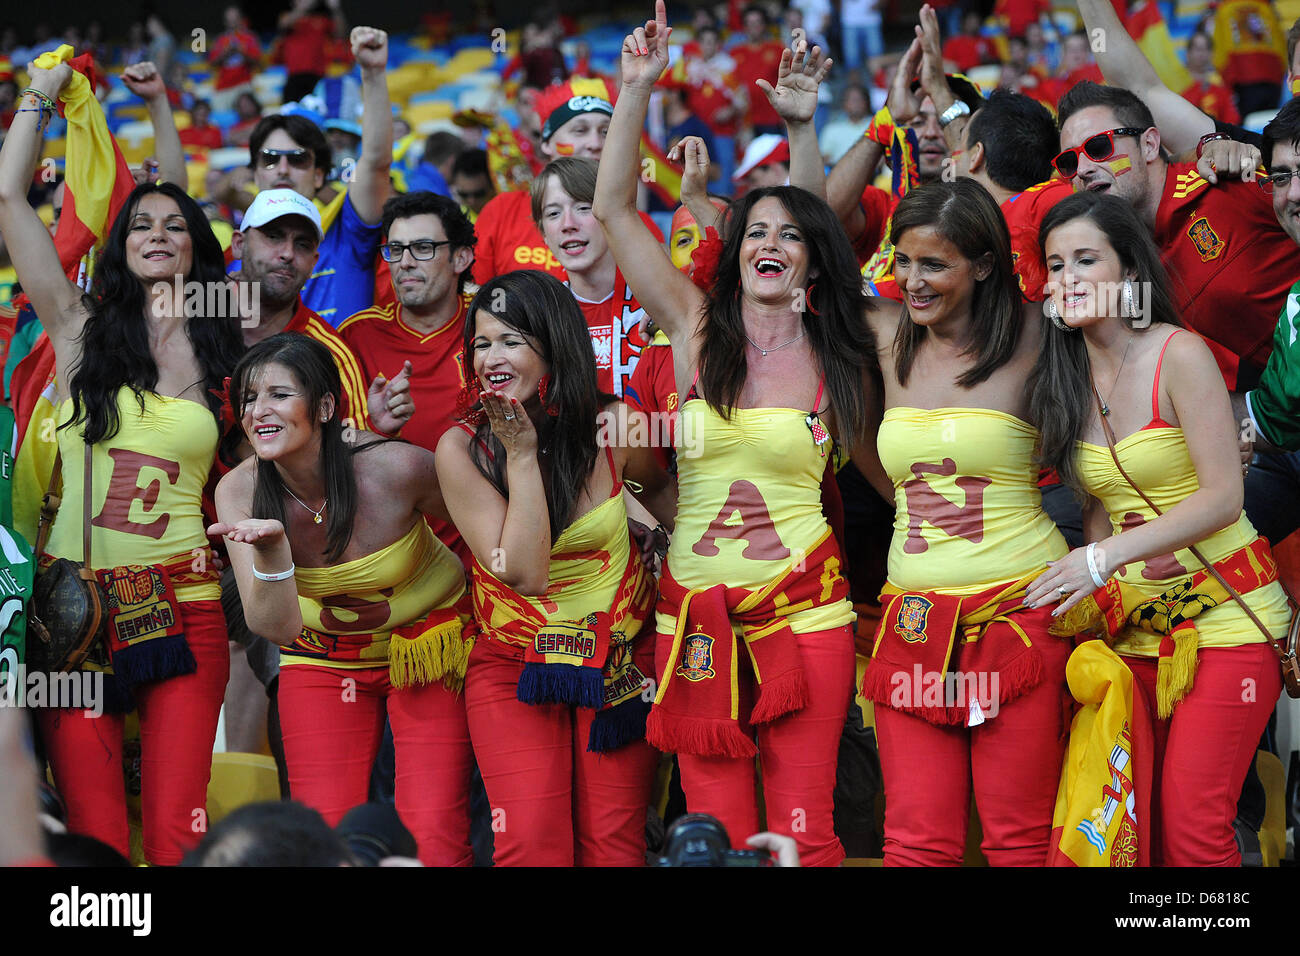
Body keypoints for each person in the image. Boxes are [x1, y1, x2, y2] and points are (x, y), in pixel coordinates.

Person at [596, 4, 885, 866]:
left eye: (788, 237)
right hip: (695, 619)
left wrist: (802, 128)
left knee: (804, 829)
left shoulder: (841, 350)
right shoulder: (692, 326)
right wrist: (635, 90)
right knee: (707, 839)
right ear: (733, 251)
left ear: (810, 261)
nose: (770, 242)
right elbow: (613, 208)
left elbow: (817, 219)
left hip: (807, 615)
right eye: (754, 230)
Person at [0, 61, 245, 865]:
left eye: (174, 228)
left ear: (196, 248)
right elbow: (9, 201)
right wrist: (38, 95)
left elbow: (256, 468)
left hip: (189, 603)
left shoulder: (226, 349)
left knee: (179, 827)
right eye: (140, 226)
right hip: (71, 616)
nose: (157, 236)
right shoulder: (76, 329)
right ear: (120, 245)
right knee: (97, 832)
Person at [1026, 191, 1289, 866]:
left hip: (1226, 621)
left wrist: (1102, 558)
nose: (1069, 278)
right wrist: (1097, 575)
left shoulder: (1180, 353)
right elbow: (1099, 508)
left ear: (1131, 275)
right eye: (1056, 266)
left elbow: (1224, 498)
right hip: (1139, 632)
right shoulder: (1064, 373)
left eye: (1087, 259)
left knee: (1196, 831)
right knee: (1140, 830)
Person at [434, 270, 674, 865]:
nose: (492, 356)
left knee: (613, 846)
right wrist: (518, 454)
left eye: (511, 340)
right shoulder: (460, 448)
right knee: (531, 842)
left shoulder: (615, 424)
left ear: (555, 344)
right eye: (482, 343)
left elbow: (667, 497)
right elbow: (524, 571)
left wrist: (654, 535)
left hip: (619, 659)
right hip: (513, 662)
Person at [212, 333, 474, 866]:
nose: (259, 411)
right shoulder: (238, 492)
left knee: (434, 831)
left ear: (326, 406)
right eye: (248, 398)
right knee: (321, 835)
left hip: (427, 645)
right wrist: (274, 553)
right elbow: (276, 628)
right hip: (320, 654)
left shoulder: (399, 468)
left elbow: (492, 534)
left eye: (280, 395)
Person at [218, 26, 392, 326]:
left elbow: (376, 162)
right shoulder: (237, 255)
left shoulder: (346, 231)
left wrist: (373, 73)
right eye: (270, 160)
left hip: (340, 371)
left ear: (319, 175)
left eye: (298, 159)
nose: (283, 169)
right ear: (256, 173)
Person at [339, 191, 476, 564]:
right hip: (392, 563)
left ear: (461, 257)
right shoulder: (356, 336)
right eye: (395, 249)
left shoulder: (493, 328)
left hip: (490, 555)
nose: (405, 262)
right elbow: (329, 459)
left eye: (423, 248)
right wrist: (378, 430)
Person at [533, 157, 650, 398]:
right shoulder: (538, 318)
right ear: (543, 233)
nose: (568, 224)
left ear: (610, 216)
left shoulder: (656, 303)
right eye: (553, 213)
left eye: (583, 208)